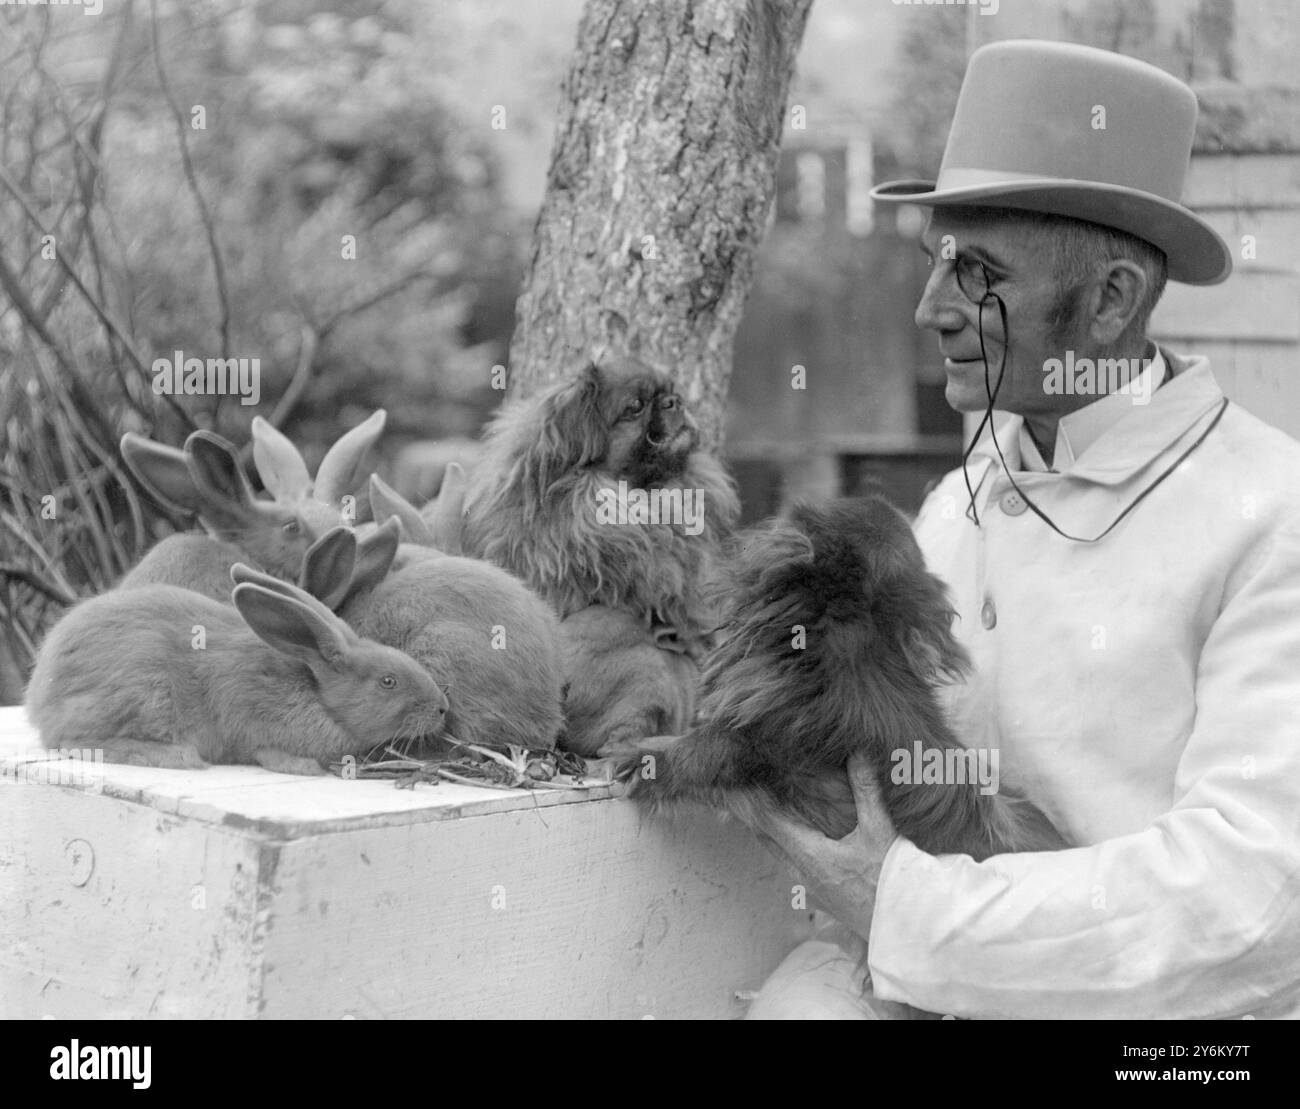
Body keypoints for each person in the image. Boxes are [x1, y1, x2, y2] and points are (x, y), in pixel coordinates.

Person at [744, 39, 1300, 1019]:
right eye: (934, 267)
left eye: (978, 274)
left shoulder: (1270, 516)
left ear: (1112, 298)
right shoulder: (960, 500)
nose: (930, 310)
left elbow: (1250, 902)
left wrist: (905, 909)